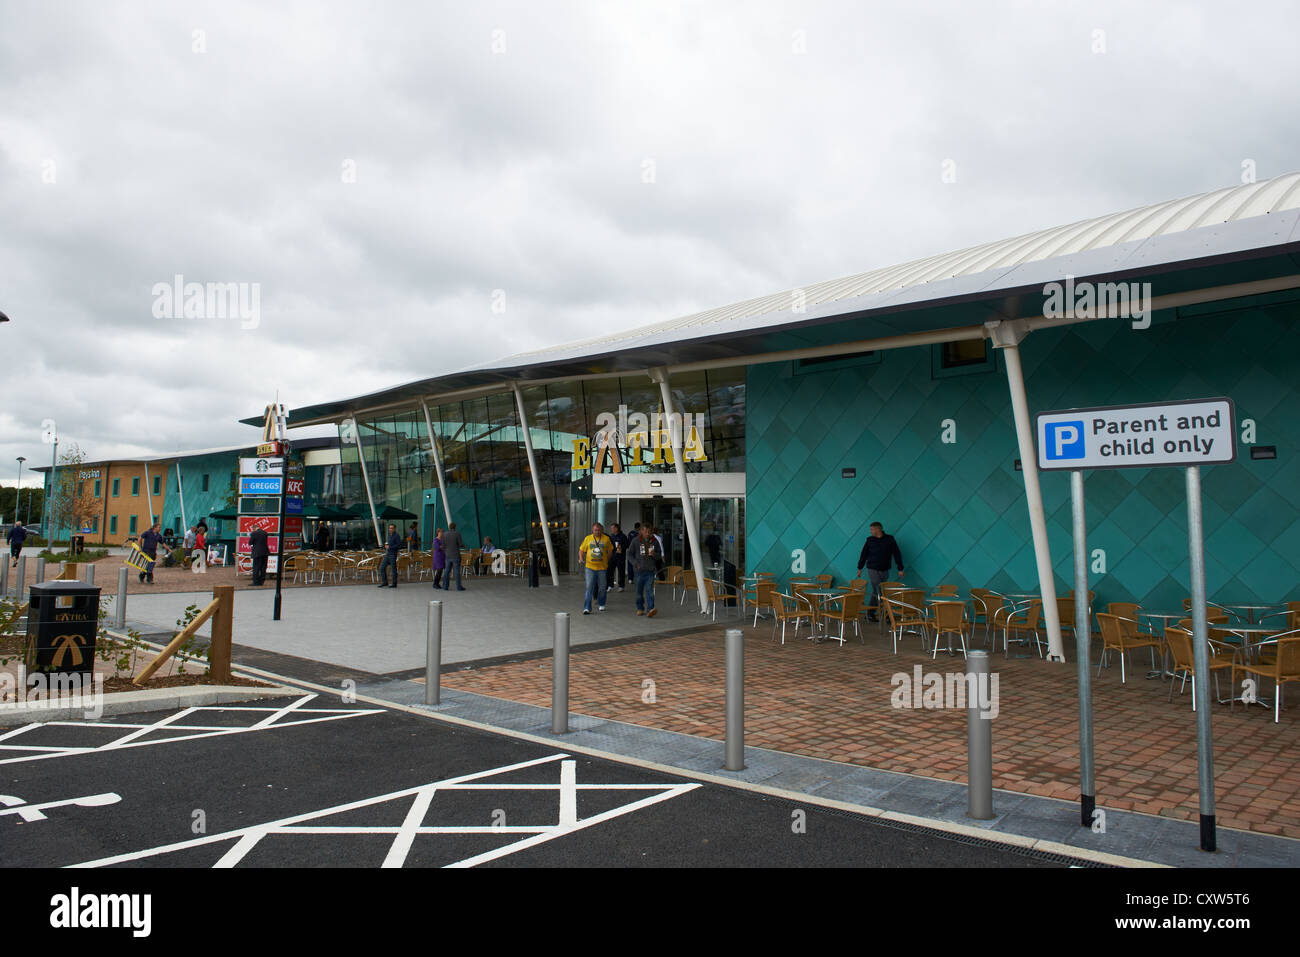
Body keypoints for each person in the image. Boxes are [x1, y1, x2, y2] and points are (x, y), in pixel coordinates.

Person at [856, 521, 905, 622]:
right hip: (872, 568)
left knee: (878, 591)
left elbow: (896, 553)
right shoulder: (870, 540)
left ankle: (870, 614)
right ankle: (887, 614)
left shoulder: (889, 539)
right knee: (879, 590)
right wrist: (860, 568)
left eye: (872, 529)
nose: (871, 531)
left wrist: (900, 568)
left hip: (885, 569)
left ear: (878, 529)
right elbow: (864, 554)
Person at [579, 521, 614, 614]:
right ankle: (587, 607)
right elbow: (581, 550)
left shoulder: (606, 539)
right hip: (590, 567)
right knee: (589, 587)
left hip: (602, 568)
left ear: (602, 530)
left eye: (599, 530)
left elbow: (610, 551)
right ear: (592, 530)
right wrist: (581, 558)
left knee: (602, 587)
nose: (597, 532)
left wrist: (606, 559)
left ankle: (601, 603)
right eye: (595, 530)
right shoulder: (588, 538)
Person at [630, 524, 663, 618]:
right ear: (641, 531)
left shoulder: (654, 541)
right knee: (639, 592)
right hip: (639, 571)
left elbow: (659, 555)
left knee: (649, 591)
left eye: (649, 532)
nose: (648, 534)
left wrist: (654, 554)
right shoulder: (636, 541)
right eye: (646, 532)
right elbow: (629, 554)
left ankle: (650, 609)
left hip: (650, 571)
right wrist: (635, 563)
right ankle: (640, 608)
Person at [441, 522, 465, 591]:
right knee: (457, 572)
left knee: (446, 571)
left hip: (447, 555)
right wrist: (463, 545)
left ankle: (445, 586)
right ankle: (459, 587)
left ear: (449, 527)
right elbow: (460, 544)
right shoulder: (457, 533)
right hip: (455, 555)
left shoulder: (444, 534)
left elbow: (443, 546)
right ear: (455, 527)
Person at [606, 523, 628, 593]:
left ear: (616, 529)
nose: (611, 530)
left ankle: (621, 586)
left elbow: (627, 545)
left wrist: (621, 547)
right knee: (610, 571)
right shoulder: (611, 536)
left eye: (613, 528)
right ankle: (609, 585)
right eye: (611, 528)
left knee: (621, 572)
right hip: (612, 557)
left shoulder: (623, 536)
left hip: (620, 557)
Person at [379, 523, 401, 587]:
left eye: (391, 528)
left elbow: (399, 545)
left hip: (393, 554)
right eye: (389, 528)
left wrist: (390, 547)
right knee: (382, 567)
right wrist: (385, 546)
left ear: (394, 529)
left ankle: (394, 584)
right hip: (387, 554)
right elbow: (388, 544)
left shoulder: (396, 536)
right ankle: (385, 582)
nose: (390, 529)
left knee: (393, 569)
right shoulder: (389, 535)